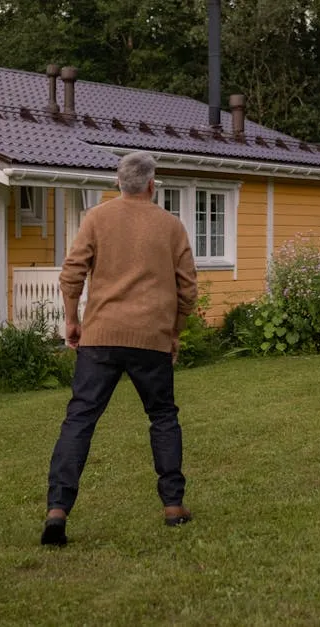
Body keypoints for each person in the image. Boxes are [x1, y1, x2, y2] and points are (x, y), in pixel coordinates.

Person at [41, 151, 198, 546]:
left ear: (118, 183)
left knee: (79, 420)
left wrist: (72, 319)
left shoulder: (96, 218)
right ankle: (173, 506)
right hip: (152, 339)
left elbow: (72, 272)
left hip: (101, 337)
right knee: (162, 416)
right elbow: (188, 289)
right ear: (151, 183)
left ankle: (58, 509)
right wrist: (174, 331)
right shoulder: (172, 226)